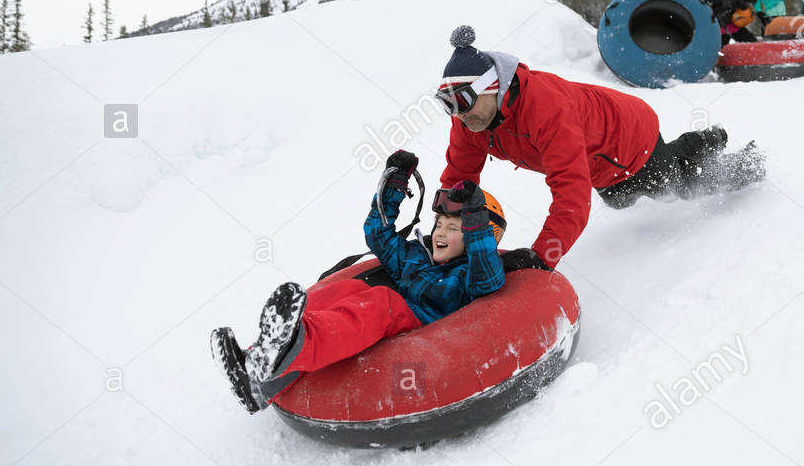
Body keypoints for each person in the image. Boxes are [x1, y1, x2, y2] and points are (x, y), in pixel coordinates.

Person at [436, 25, 764, 269]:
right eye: (448, 104)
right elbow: (459, 177)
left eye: (464, 101)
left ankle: (745, 165)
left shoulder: (546, 110)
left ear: (493, 88)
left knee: (675, 187)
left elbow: (571, 196)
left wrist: (541, 258)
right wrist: (447, 228)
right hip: (600, 162)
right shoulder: (470, 118)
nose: (459, 114)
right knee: (621, 200)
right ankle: (704, 139)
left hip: (630, 136)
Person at [209, 152, 507, 414]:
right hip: (395, 318)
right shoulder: (416, 256)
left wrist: (476, 219)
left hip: (423, 330)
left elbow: (488, 277)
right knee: (348, 290)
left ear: (476, 234)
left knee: (383, 302)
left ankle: (294, 347)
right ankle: (257, 366)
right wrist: (394, 185)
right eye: (439, 224)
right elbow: (377, 234)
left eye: (453, 228)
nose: (440, 232)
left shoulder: (471, 273)